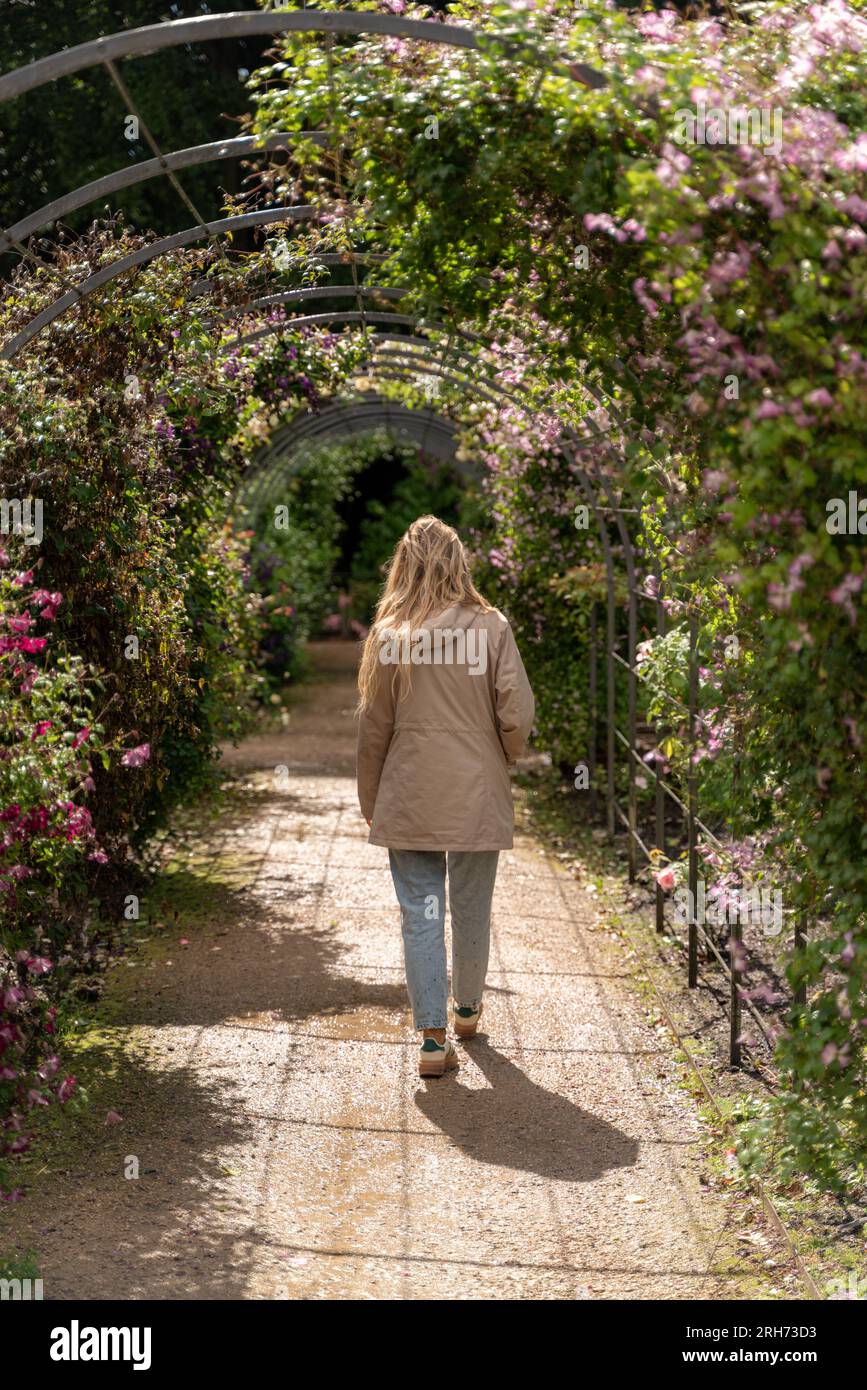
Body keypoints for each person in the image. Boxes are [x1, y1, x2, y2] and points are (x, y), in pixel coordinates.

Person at [356, 515, 535, 1077]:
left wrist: (372, 798)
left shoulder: (390, 637)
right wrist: (501, 756)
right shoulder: (492, 627)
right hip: (476, 786)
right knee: (471, 904)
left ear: (402, 566)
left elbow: (373, 729)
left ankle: (433, 1039)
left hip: (410, 789)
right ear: (459, 563)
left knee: (421, 912)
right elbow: (517, 710)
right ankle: (467, 1008)